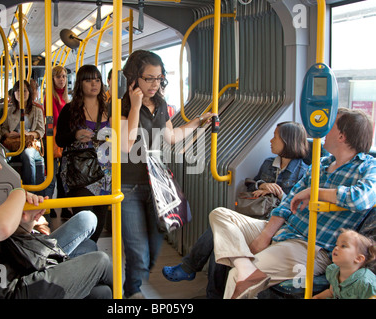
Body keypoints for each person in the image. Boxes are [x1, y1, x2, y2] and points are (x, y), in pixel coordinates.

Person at [209, 107, 376, 299]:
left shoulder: (368, 167)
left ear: (342, 136)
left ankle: (243, 270)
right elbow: (287, 203)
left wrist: (315, 192)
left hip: (310, 246)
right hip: (285, 231)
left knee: (237, 277)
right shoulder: (320, 164)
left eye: (329, 125)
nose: (322, 131)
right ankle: (244, 265)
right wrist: (265, 235)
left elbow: (361, 198)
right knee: (220, 214)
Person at [0, 125, 112, 298]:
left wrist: (27, 222)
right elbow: (0, 228)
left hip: (9, 277)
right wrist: (18, 193)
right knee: (101, 261)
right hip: (7, 291)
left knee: (101, 292)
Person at [162, 121, 310, 298]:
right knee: (221, 232)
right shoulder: (269, 163)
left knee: (221, 234)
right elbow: (251, 184)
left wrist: (279, 195)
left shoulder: (303, 172)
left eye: (275, 137)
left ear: (287, 140)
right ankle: (209, 288)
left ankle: (192, 271)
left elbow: (297, 208)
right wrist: (262, 185)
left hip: (275, 225)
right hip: (255, 217)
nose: (271, 140)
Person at [120, 49, 215, 298]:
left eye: (159, 78)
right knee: (136, 250)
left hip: (156, 186)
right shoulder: (121, 106)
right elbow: (126, 145)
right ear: (135, 78)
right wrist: (135, 106)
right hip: (128, 186)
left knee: (151, 250)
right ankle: (132, 293)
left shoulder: (162, 105)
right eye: (148, 78)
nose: (155, 84)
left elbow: (171, 137)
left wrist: (198, 122)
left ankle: (134, 283)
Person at [56, 64, 111, 242]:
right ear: (80, 84)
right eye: (88, 80)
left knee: (98, 227)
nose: (94, 84)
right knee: (85, 223)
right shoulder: (70, 110)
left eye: (97, 80)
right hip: (79, 171)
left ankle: (91, 262)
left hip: (105, 172)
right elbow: (59, 140)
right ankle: (82, 261)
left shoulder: (109, 109)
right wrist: (75, 135)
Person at [0, 80, 46, 193]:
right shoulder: (9, 111)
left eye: (24, 90)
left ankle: (30, 191)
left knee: (28, 155)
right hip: (14, 142)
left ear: (29, 92)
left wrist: (27, 134)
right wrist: (8, 134)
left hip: (31, 142)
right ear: (14, 93)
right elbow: (3, 128)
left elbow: (41, 131)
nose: (21, 93)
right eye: (18, 90)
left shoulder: (37, 110)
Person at [312, 228, 376, 299]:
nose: (336, 248)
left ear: (358, 258)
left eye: (343, 246)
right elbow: (331, 292)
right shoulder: (333, 271)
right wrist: (317, 297)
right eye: (336, 245)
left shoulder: (365, 283)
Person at [44, 66, 71, 216]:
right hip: (53, 139)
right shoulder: (50, 97)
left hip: (63, 138)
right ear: (53, 79)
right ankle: (49, 207)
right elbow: (55, 119)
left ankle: (63, 205)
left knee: (63, 174)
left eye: (64, 77)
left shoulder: (66, 98)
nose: (62, 80)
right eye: (59, 77)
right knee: (52, 175)